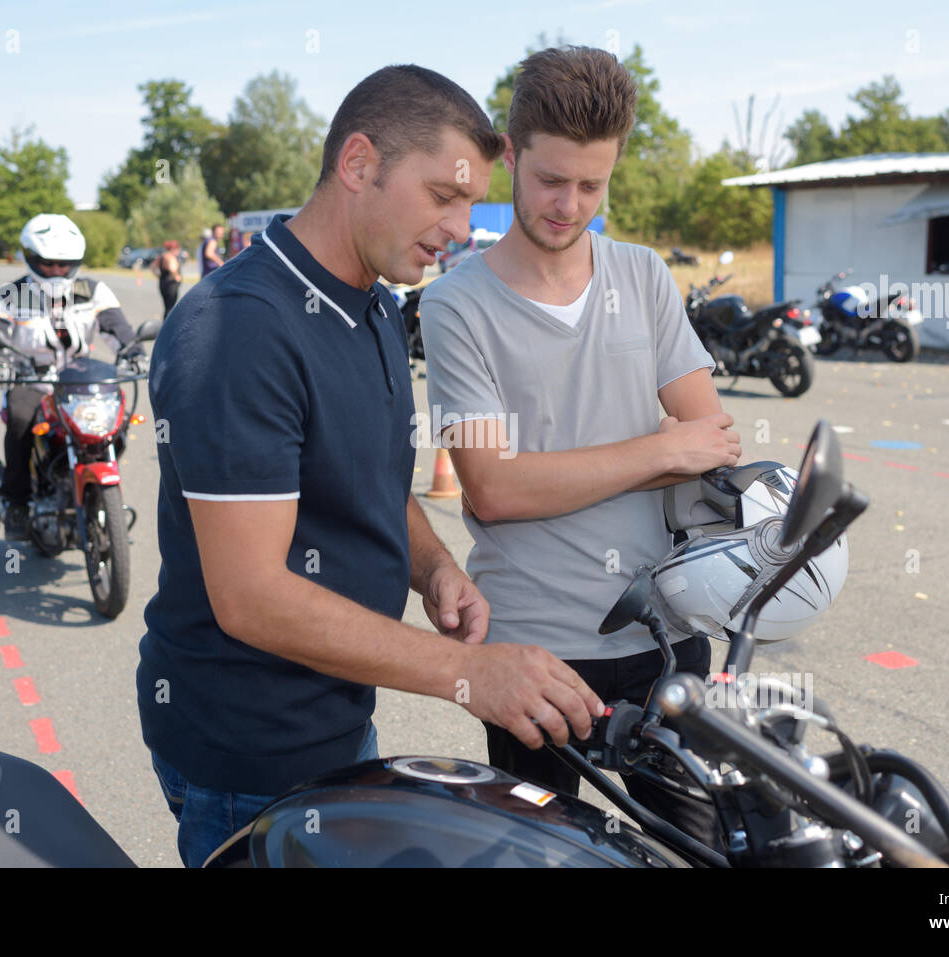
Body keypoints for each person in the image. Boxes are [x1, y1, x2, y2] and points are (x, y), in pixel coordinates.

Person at [136, 64, 606, 869]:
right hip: (248, 750)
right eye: (443, 196)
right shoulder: (239, 329)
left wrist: (433, 568)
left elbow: (373, 480)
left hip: (337, 719)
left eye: (468, 203)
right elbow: (250, 597)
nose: (461, 227)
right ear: (358, 164)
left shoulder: (377, 303)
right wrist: (470, 675)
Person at [419, 46, 741, 851]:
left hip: (666, 638)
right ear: (509, 157)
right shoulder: (458, 306)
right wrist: (662, 450)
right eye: (550, 180)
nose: (568, 205)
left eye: (591, 186)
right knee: (546, 856)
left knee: (702, 848)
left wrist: (682, 449)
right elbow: (493, 487)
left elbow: (715, 439)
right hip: (533, 654)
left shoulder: (644, 276)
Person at [0, 213, 141, 541]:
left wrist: (135, 354)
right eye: (48, 263)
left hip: (81, 381)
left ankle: (92, 485)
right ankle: (18, 501)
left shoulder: (95, 291)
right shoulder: (6, 296)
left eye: (64, 264)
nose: (56, 270)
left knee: (115, 420)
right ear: (31, 258)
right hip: (31, 382)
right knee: (21, 419)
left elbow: (117, 329)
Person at [153, 240, 181, 318]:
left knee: (166, 307)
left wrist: (159, 275)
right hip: (171, 285)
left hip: (162, 283)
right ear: (173, 249)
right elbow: (172, 268)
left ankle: (165, 323)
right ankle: (168, 325)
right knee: (170, 307)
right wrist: (177, 277)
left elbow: (152, 267)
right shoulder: (171, 257)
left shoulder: (161, 256)